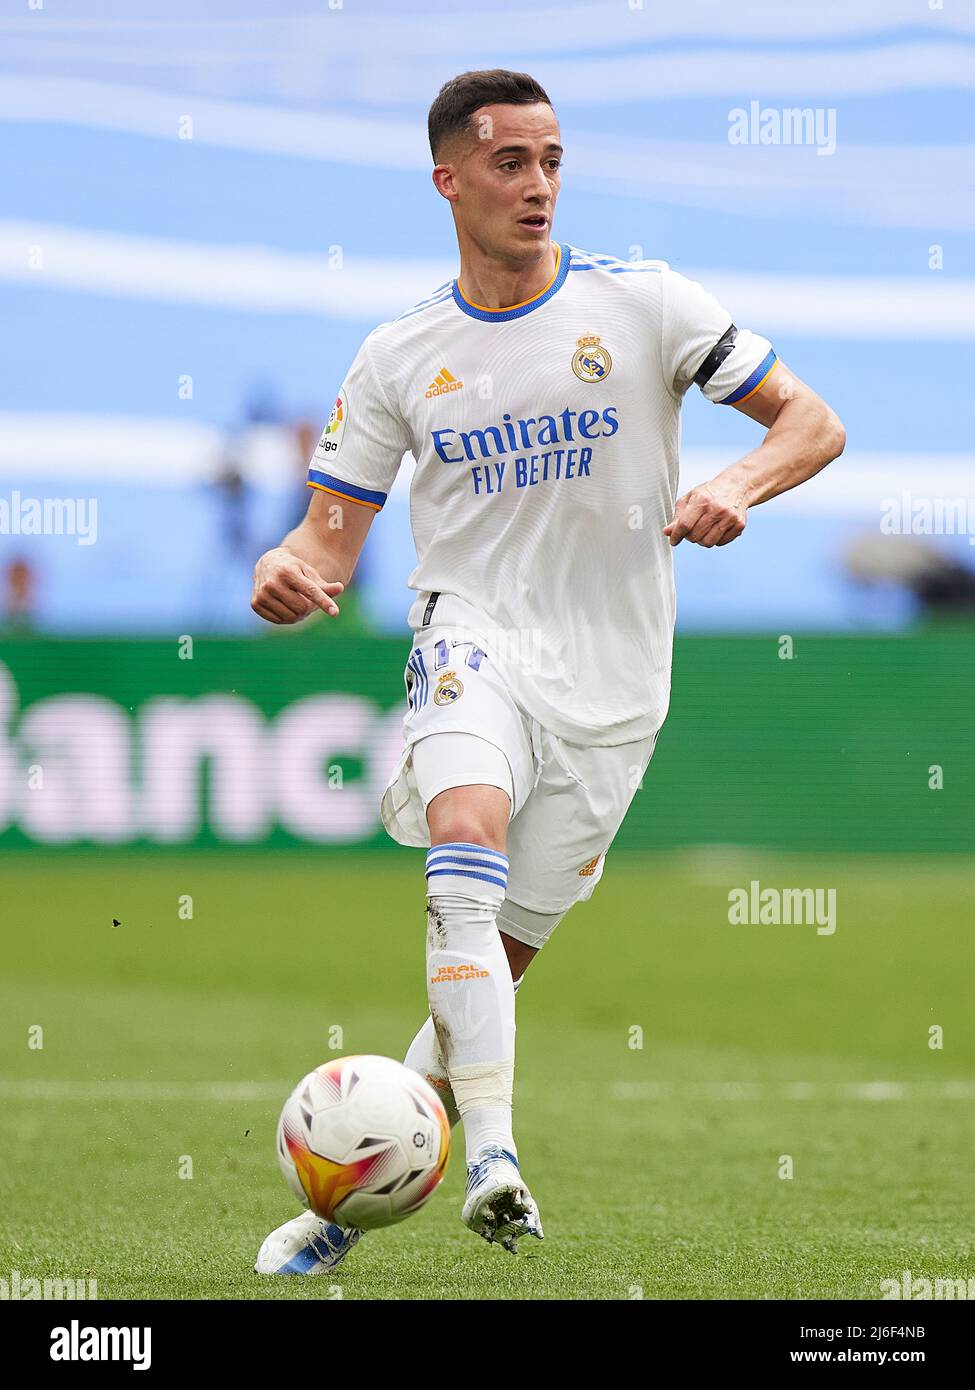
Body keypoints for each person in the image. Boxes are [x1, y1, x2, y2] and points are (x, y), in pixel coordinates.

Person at [250, 69, 845, 1275]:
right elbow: (326, 536)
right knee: (461, 834)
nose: (538, 184)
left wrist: (735, 484)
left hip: (615, 688)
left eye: (553, 159)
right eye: (511, 161)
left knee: (493, 971)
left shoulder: (646, 303)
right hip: (473, 640)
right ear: (448, 178)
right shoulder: (400, 354)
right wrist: (284, 565)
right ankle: (498, 1160)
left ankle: (341, 1204)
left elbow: (812, 424)